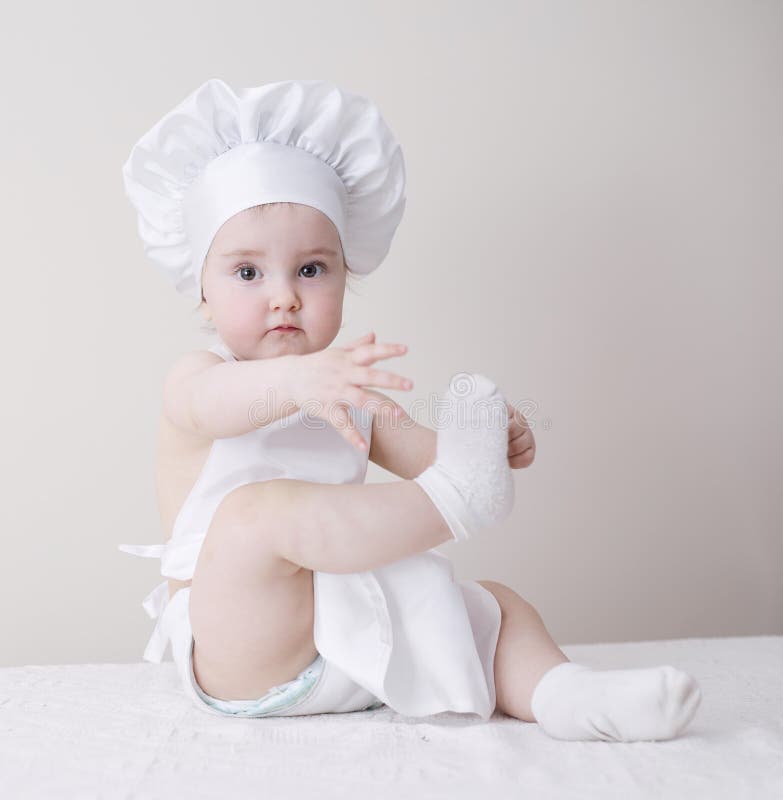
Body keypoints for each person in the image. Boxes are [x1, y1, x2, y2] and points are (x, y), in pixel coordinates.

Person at [119, 78, 702, 740]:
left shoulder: (350, 393)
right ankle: (459, 503)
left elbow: (433, 457)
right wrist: (299, 382)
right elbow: (213, 406)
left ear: (345, 276)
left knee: (496, 609)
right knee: (254, 516)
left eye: (311, 269)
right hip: (239, 649)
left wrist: (483, 443)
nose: (283, 296)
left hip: (345, 649)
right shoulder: (199, 380)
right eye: (248, 273)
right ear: (202, 290)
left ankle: (566, 696)